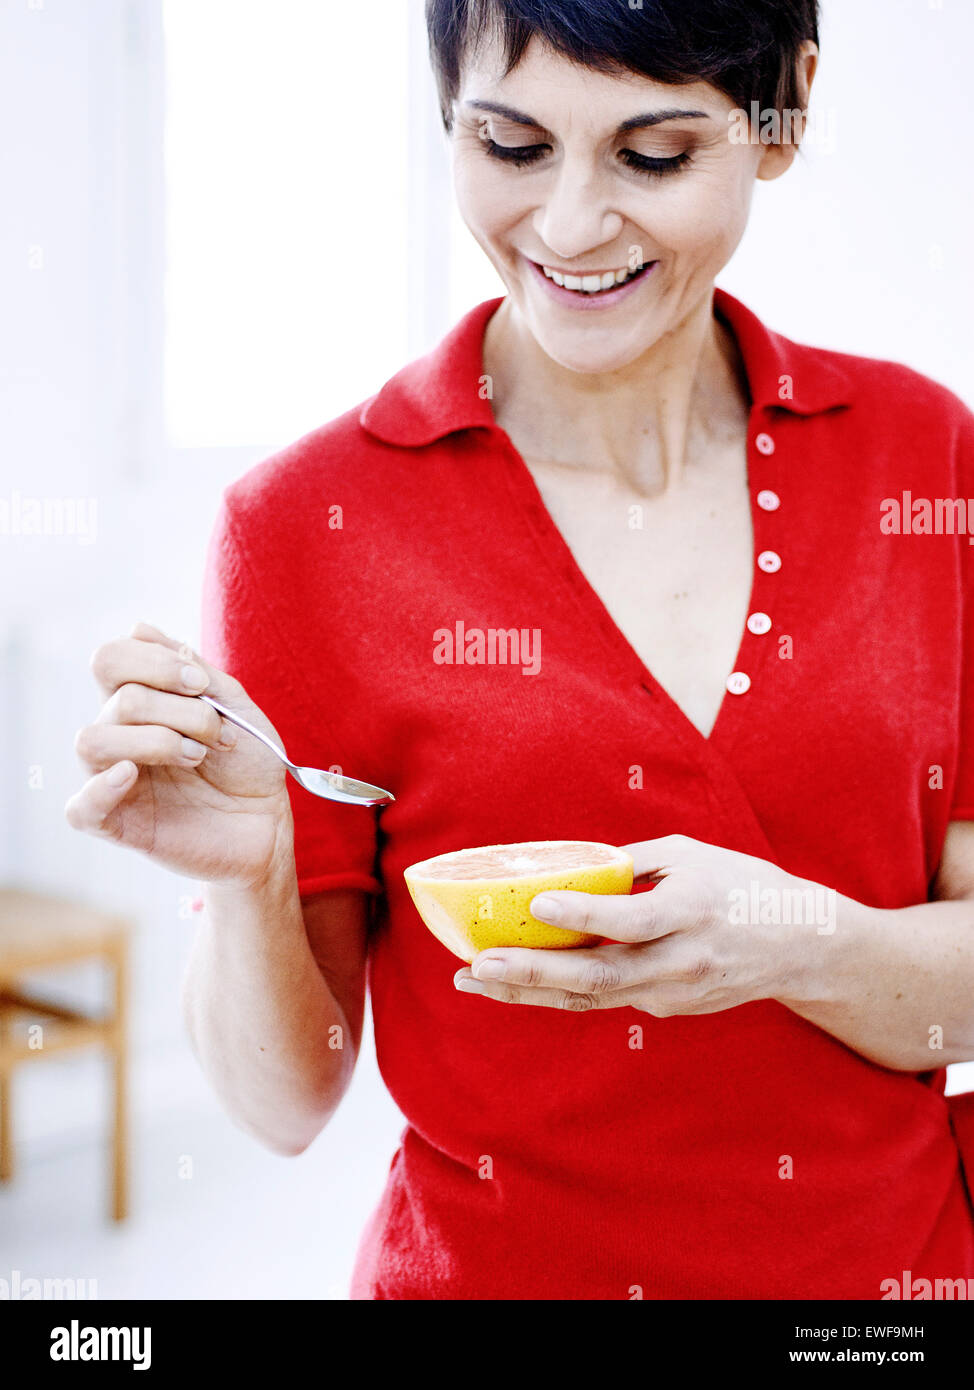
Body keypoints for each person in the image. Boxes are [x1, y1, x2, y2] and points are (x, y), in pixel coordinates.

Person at [67, 0, 974, 1299]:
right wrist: (258, 877)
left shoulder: (919, 457)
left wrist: (788, 943)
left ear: (785, 113)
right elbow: (285, 1103)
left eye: (651, 155)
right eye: (509, 144)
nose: (566, 225)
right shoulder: (307, 527)